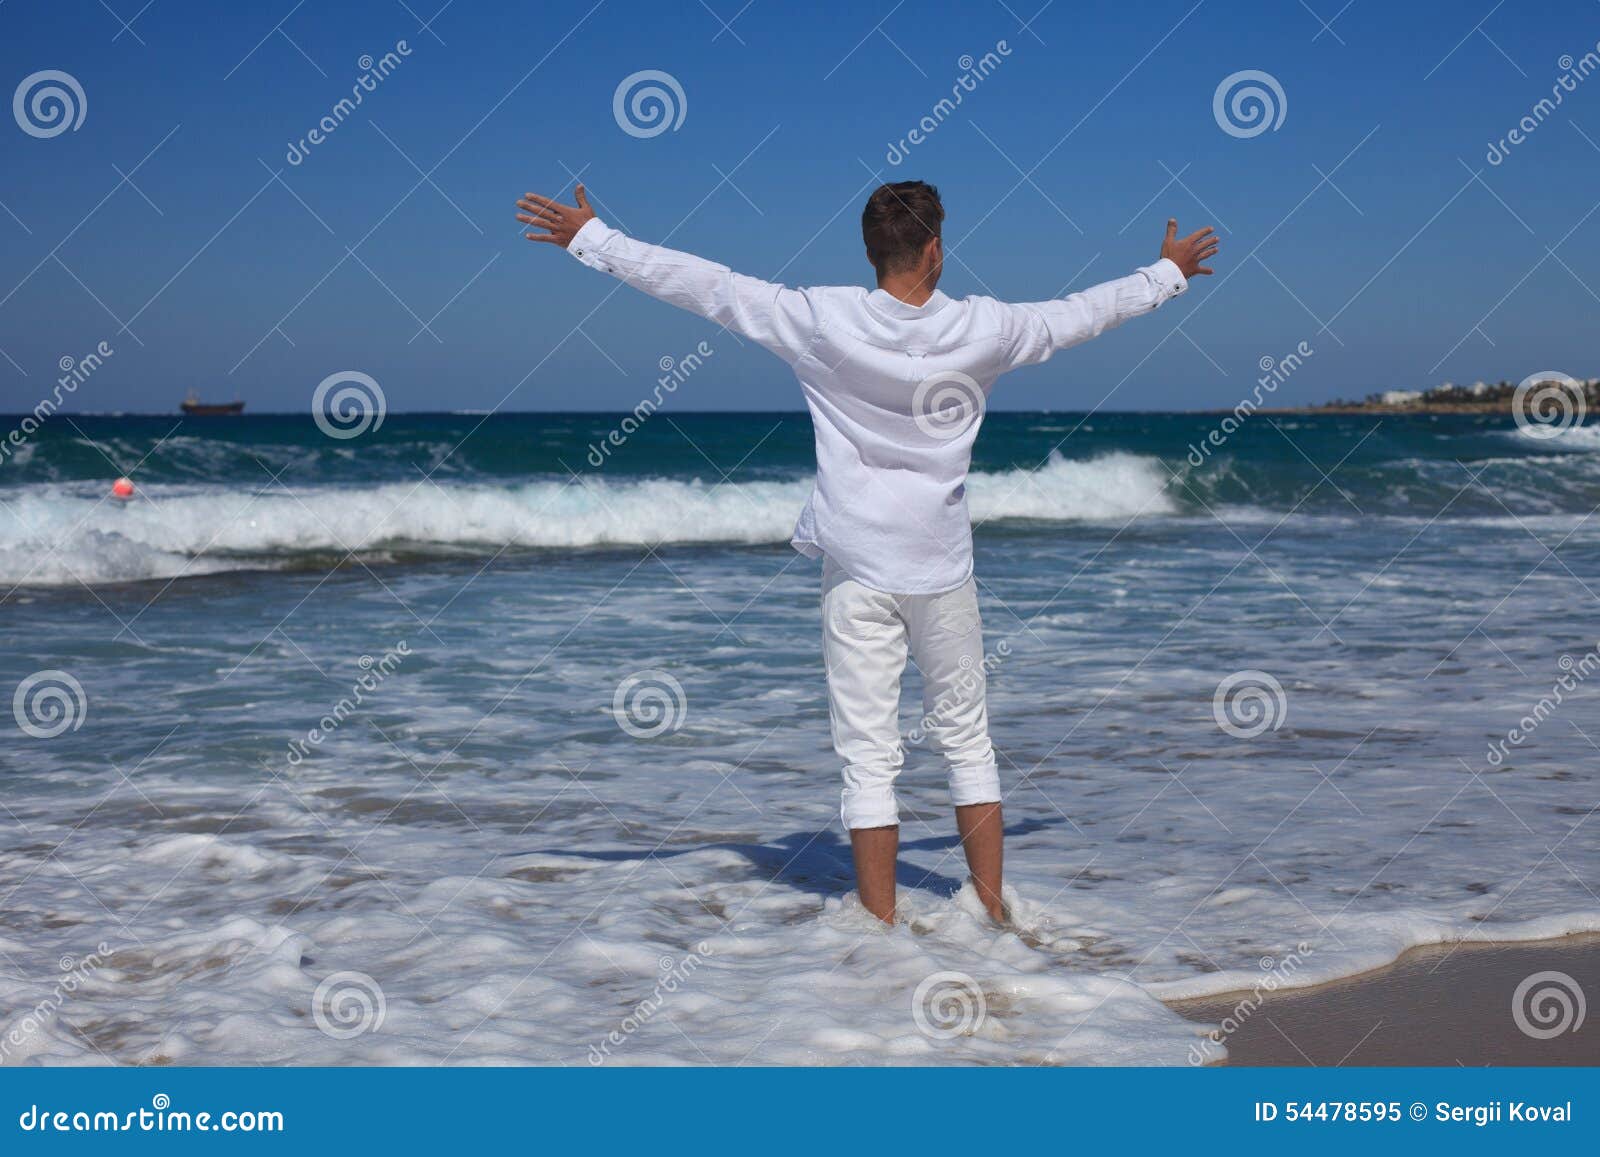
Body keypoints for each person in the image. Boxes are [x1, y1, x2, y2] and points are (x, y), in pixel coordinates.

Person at [516, 180, 1217, 926]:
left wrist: (592, 239)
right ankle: (994, 916)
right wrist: (1166, 274)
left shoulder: (821, 319)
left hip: (856, 568)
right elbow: (1082, 314)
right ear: (935, 248)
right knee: (967, 742)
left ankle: (879, 938)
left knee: (869, 756)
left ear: (871, 251)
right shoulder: (988, 328)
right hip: (943, 566)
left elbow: (708, 287)